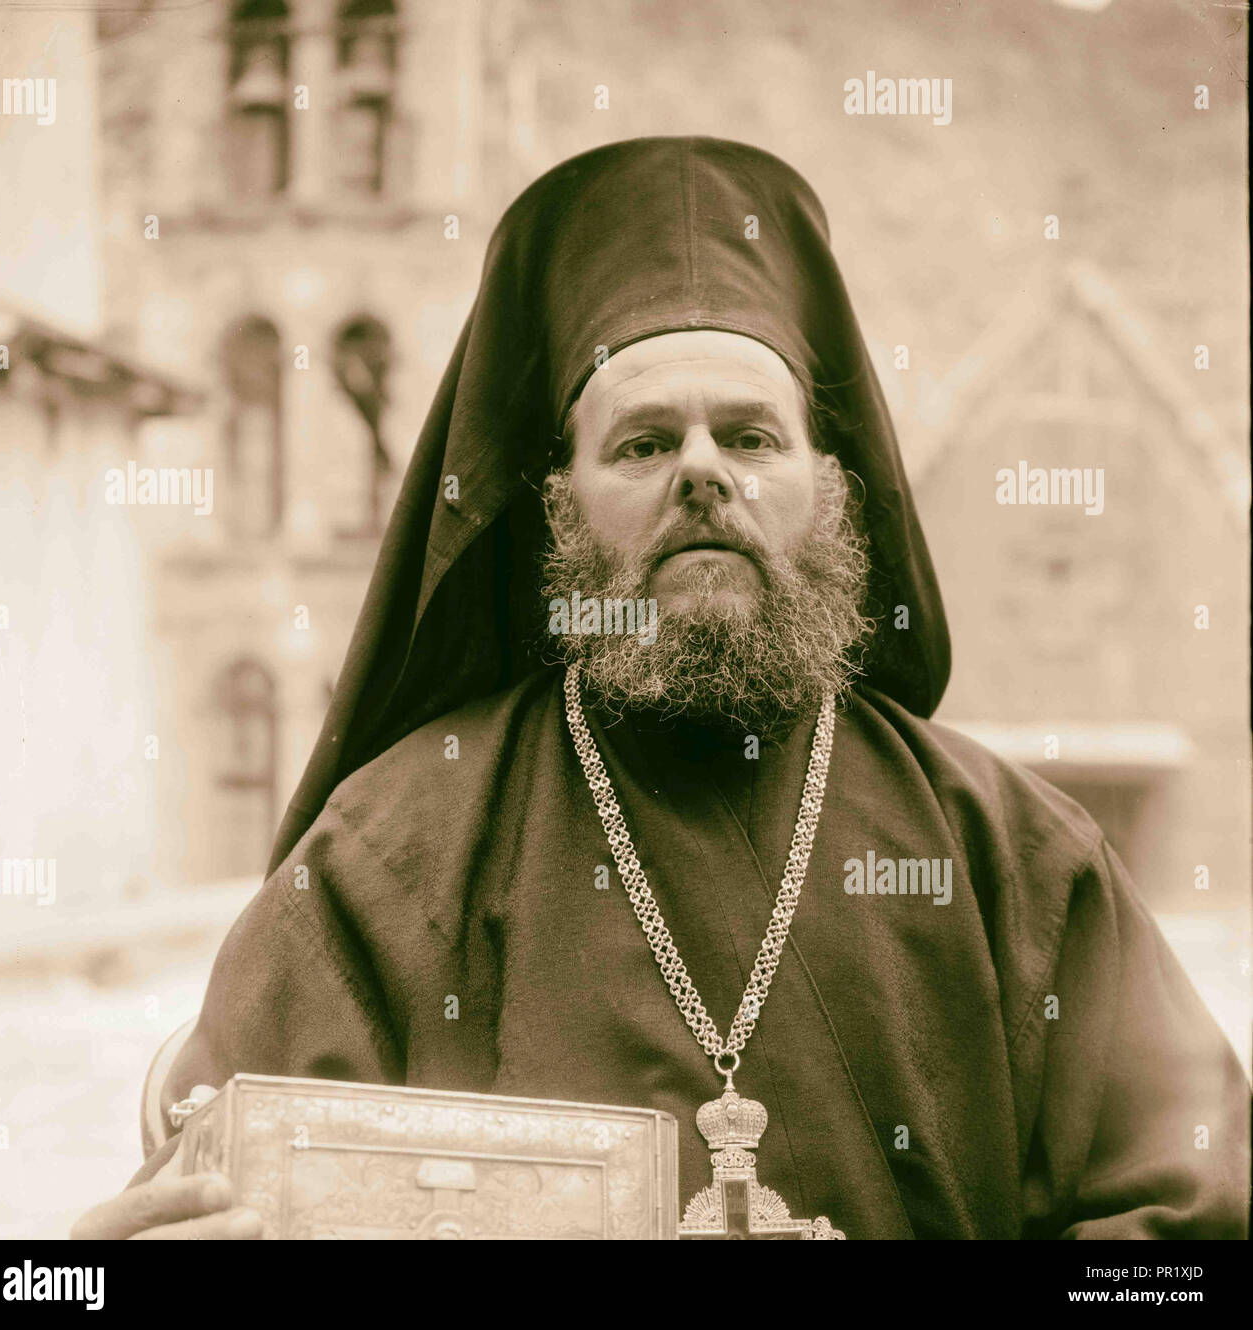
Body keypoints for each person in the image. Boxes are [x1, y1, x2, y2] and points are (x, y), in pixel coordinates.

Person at [72, 137, 1249, 1240]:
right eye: (640, 445)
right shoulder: (389, 859)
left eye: (750, 437)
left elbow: (1186, 1227)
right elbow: (218, 1193)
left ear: (831, 493)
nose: (701, 474)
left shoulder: (1014, 858)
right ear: (557, 507)